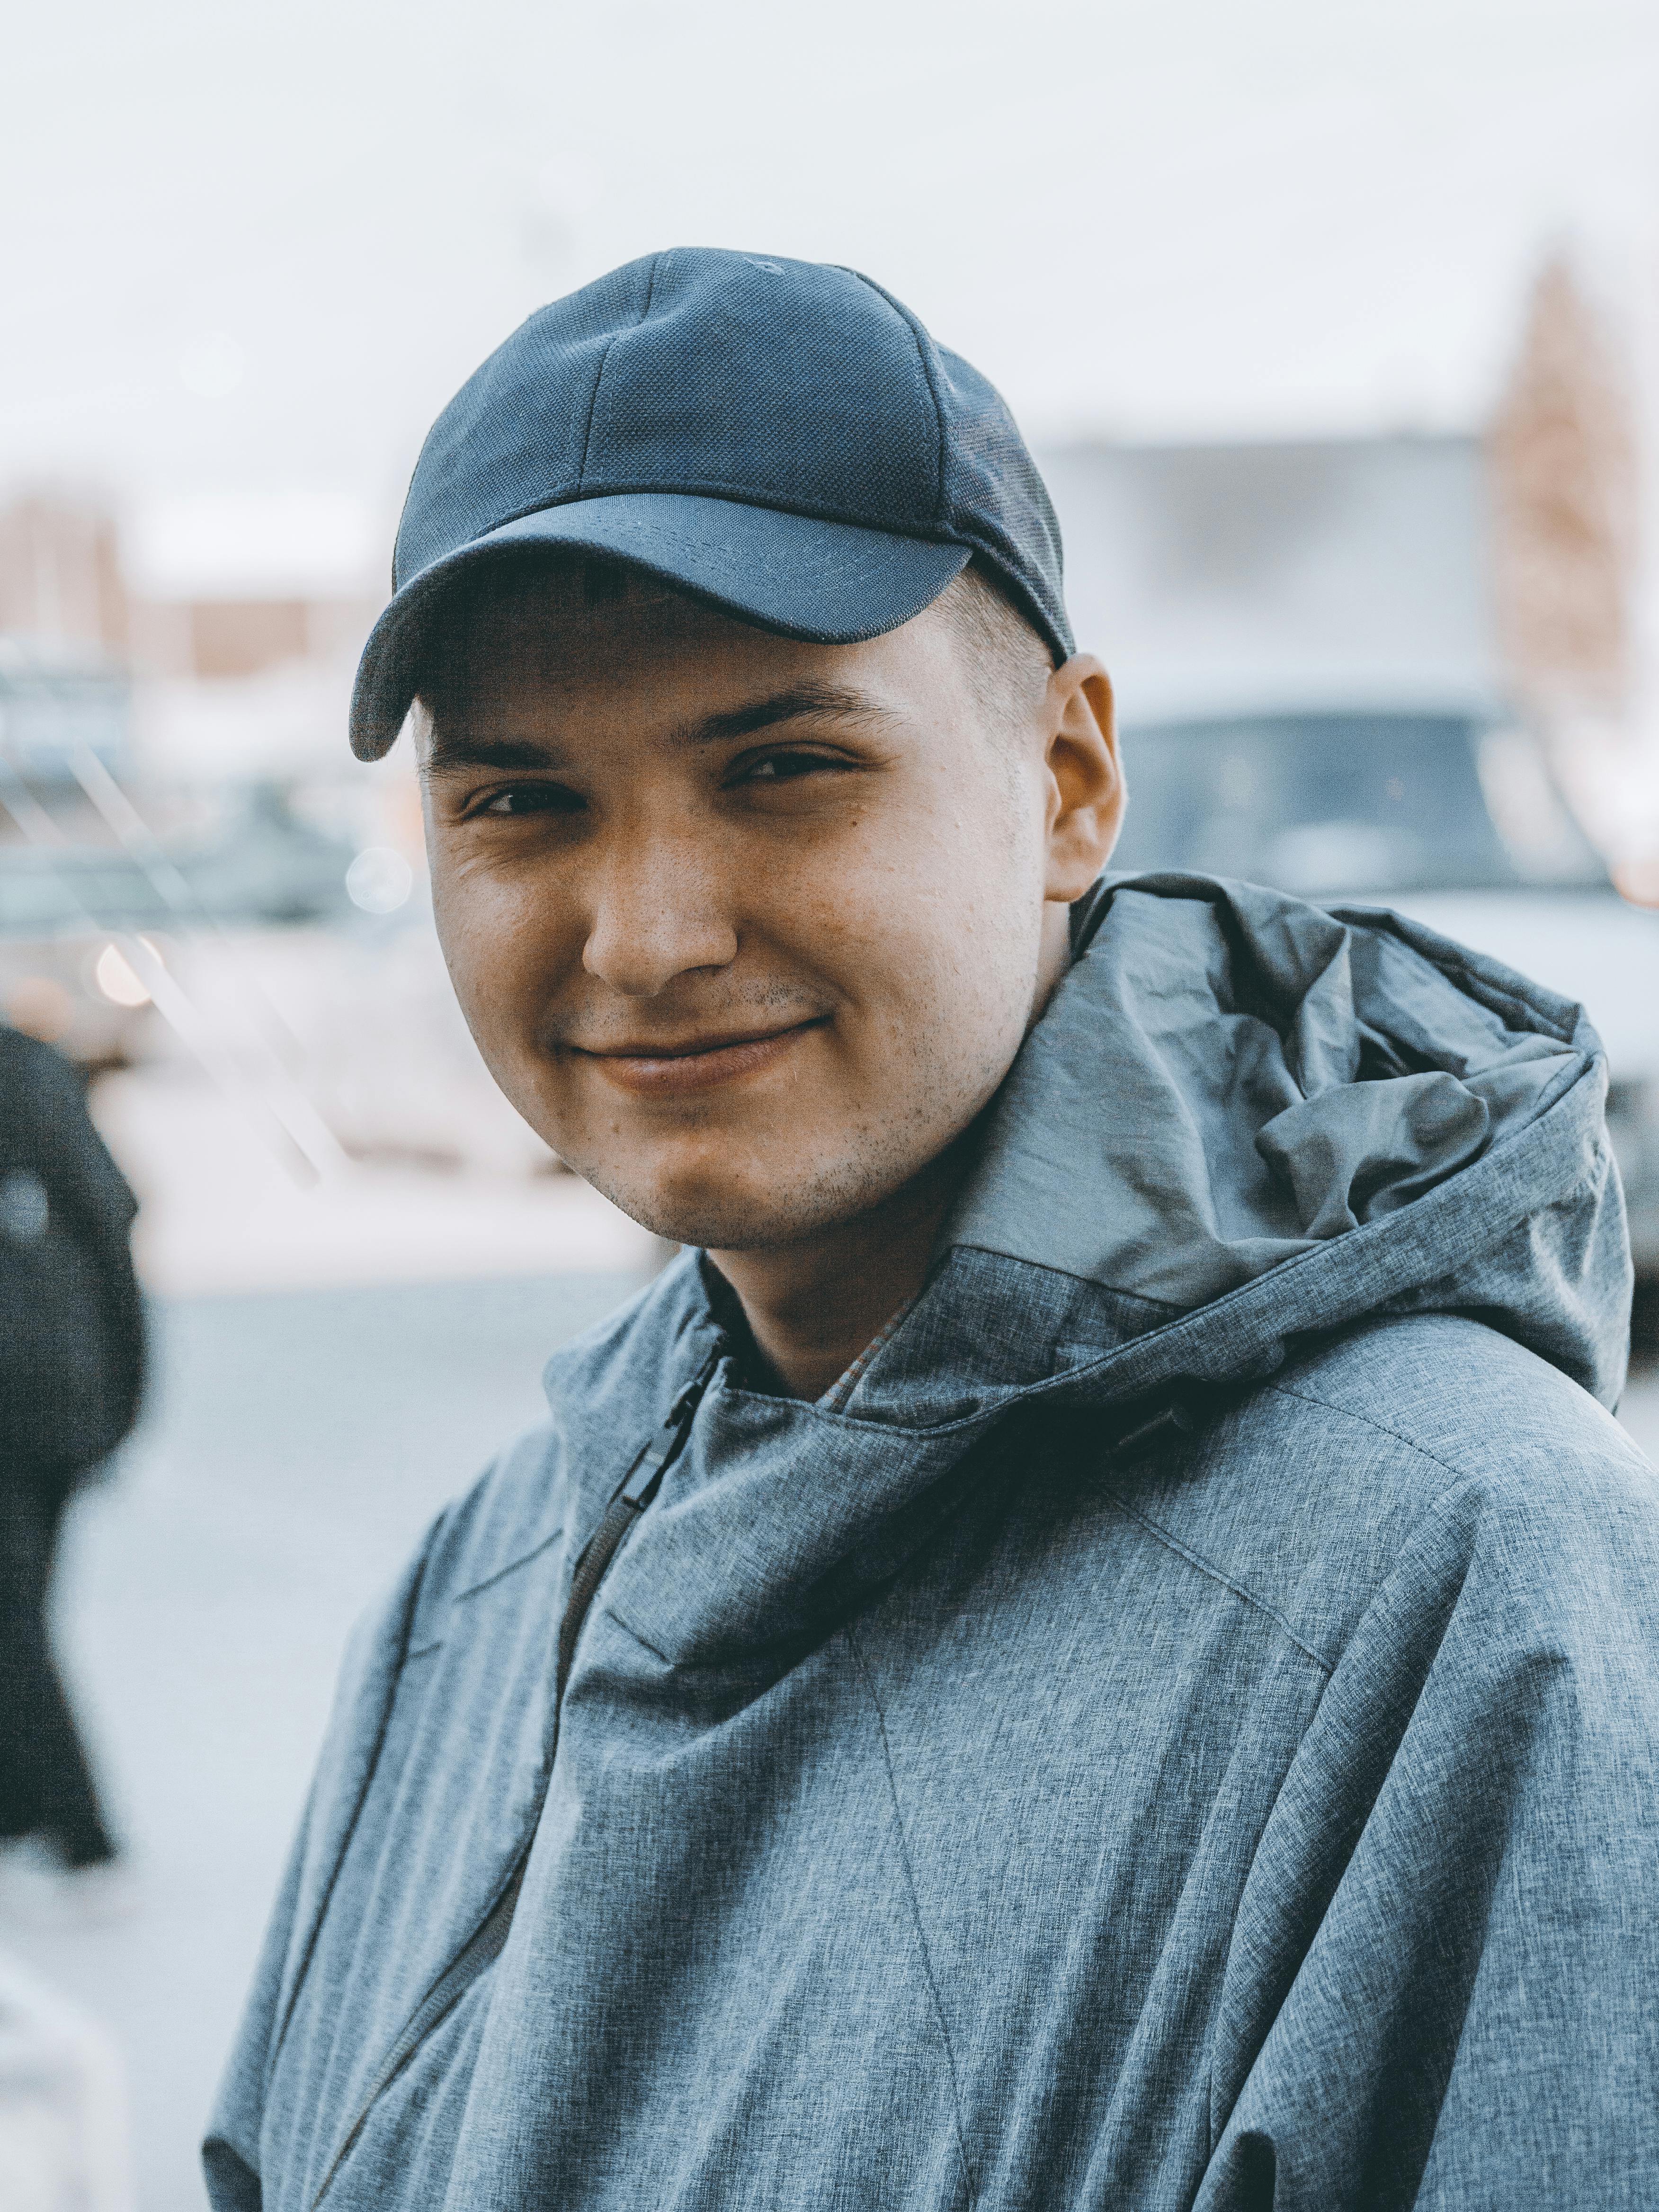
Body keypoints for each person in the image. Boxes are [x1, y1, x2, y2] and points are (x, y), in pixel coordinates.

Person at [207, 251, 1659, 2212]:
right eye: (523, 802)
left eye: (783, 769)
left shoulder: (1465, 1572)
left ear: (1065, 782)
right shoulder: (482, 1582)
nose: (646, 935)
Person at [0, 1020, 143, 1881]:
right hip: (64, 1387)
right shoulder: (30, 1064)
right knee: (23, 1603)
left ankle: (79, 1830)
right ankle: (19, 1811)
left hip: (25, 1396)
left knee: (10, 1618)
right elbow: (110, 1213)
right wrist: (122, 1387)